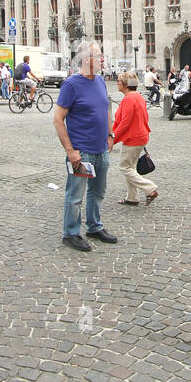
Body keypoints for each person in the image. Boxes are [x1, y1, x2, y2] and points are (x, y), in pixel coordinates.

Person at [56, 42, 117, 250]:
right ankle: (70, 233)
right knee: (75, 195)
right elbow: (58, 119)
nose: (102, 59)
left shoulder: (100, 81)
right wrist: (70, 151)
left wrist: (110, 134)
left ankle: (94, 226)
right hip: (81, 152)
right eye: (99, 56)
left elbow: (106, 108)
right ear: (86, 60)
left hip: (101, 149)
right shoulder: (71, 85)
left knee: (98, 191)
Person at [109, 70, 157, 206]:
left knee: (125, 167)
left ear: (124, 84)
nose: (117, 83)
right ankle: (132, 197)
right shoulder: (137, 96)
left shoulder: (130, 99)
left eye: (119, 81)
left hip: (133, 138)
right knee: (131, 167)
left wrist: (113, 138)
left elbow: (125, 122)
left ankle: (150, 188)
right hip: (140, 136)